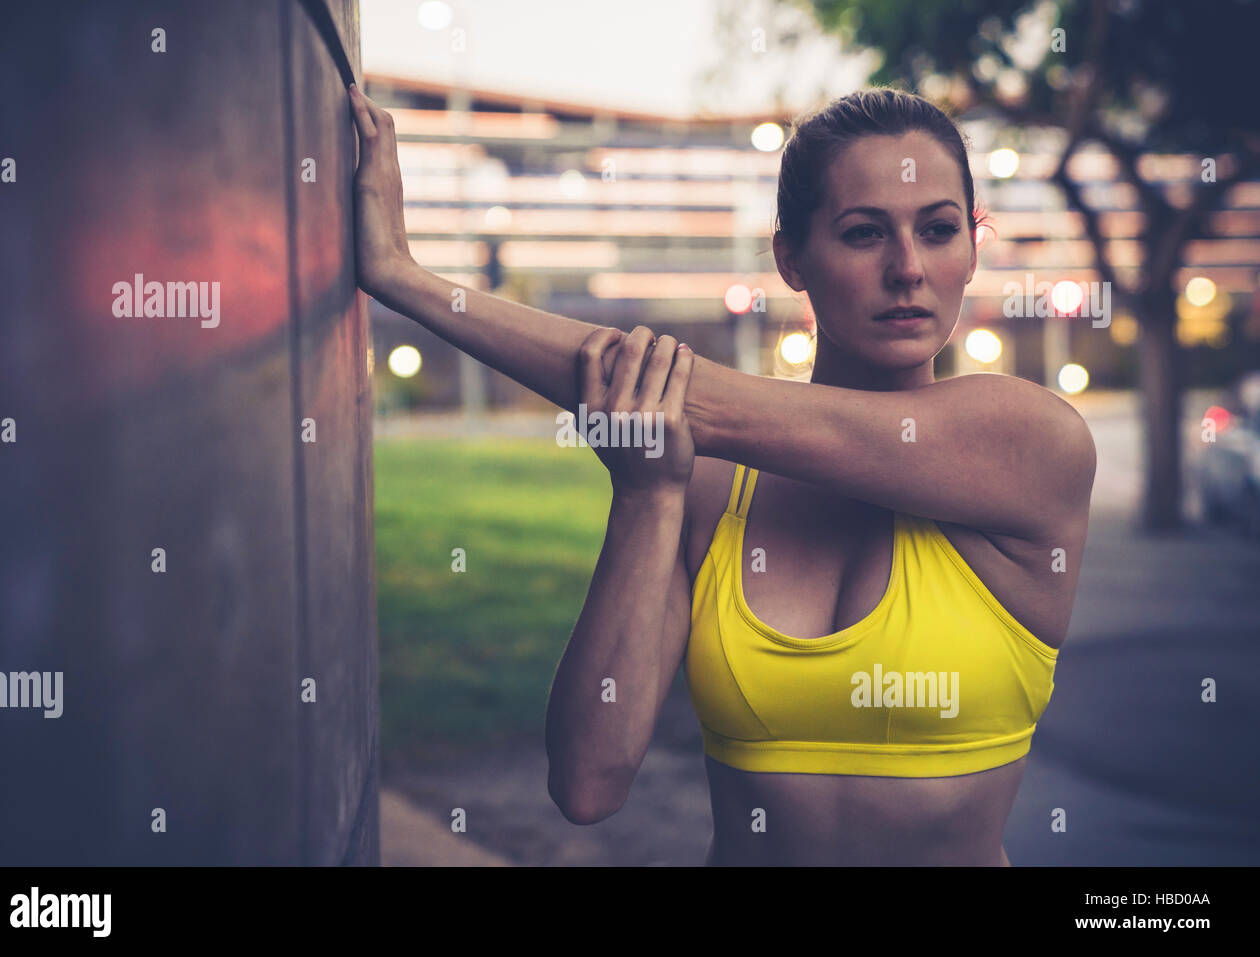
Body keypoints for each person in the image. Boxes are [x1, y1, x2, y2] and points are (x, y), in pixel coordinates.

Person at [347, 83, 1096, 866]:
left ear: (973, 250)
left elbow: (688, 396)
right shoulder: (711, 486)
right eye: (865, 232)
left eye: (939, 230)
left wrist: (404, 277)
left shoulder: (1032, 445)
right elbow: (586, 783)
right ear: (792, 259)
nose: (908, 268)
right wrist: (645, 494)